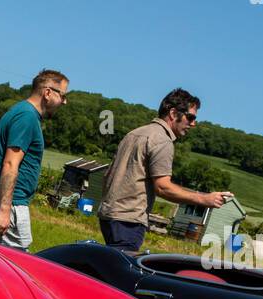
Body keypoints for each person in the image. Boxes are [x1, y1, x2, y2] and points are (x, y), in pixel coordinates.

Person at [98, 87, 232, 251]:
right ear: (174, 113)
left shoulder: (134, 133)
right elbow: (162, 187)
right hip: (129, 220)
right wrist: (204, 199)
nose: (193, 123)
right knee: (120, 274)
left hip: (108, 215)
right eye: (190, 117)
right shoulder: (162, 141)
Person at [0, 69, 69, 251]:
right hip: (6, 203)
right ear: (47, 93)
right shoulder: (27, 117)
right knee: (15, 265)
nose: (64, 101)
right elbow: (10, 164)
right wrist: (5, 209)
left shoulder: (20, 112)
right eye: (62, 95)